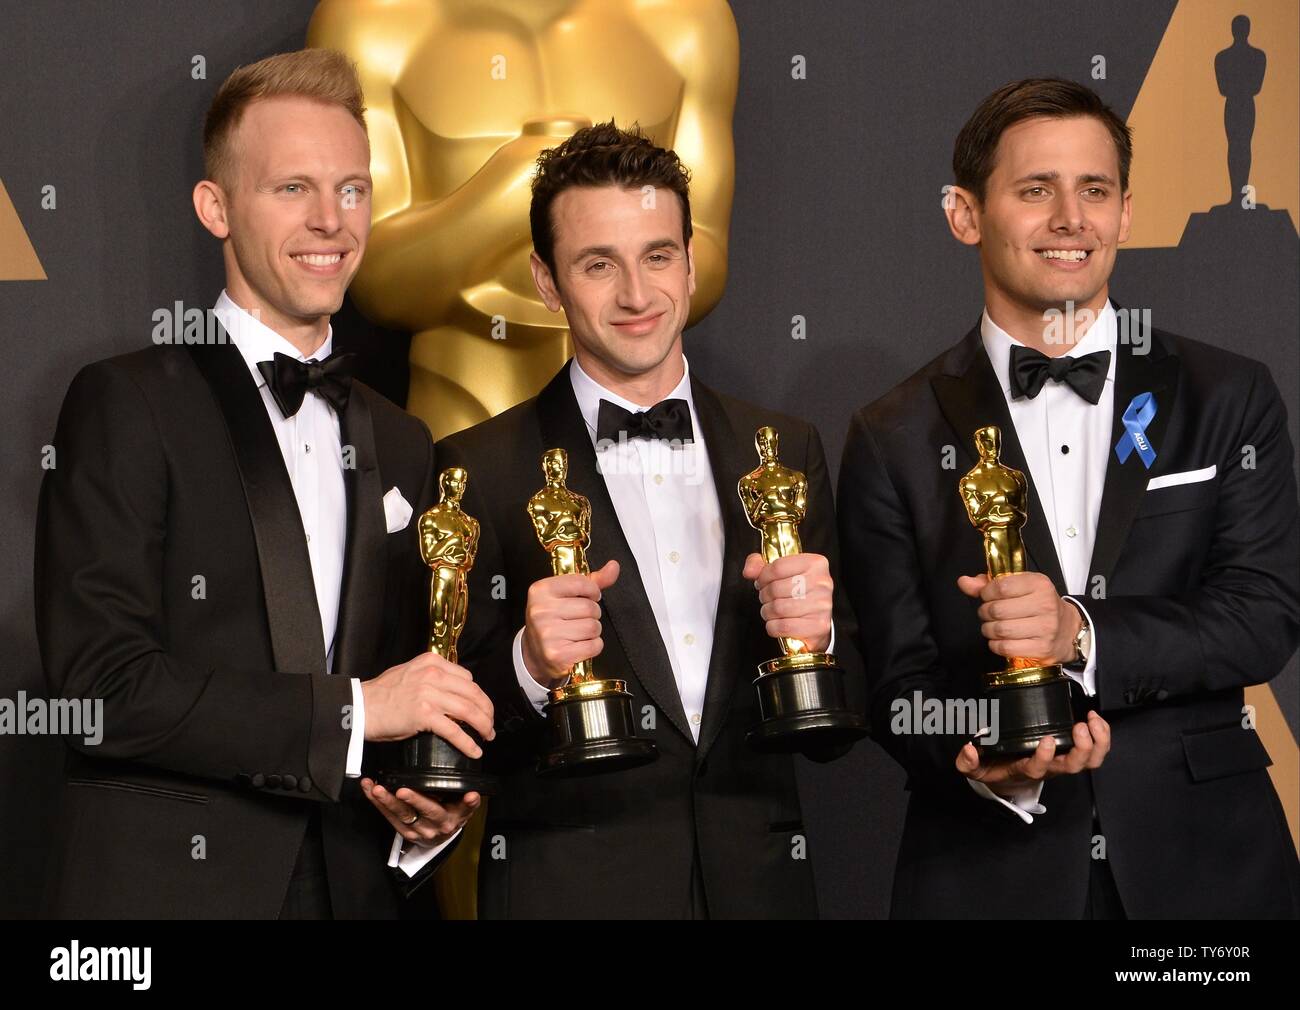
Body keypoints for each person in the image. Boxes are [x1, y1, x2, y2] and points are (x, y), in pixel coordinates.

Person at [34, 48, 494, 919]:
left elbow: (403, 696)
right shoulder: (127, 402)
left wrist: (419, 814)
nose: (331, 220)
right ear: (216, 207)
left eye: (351, 190)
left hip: (359, 889)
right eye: (293, 189)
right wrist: (359, 712)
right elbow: (100, 688)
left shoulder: (402, 441)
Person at [838, 77, 1300, 918]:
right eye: (1034, 190)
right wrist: (987, 760)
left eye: (1094, 190)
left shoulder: (1228, 393)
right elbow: (898, 692)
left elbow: (1265, 615)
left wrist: (1078, 632)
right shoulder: (889, 434)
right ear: (965, 216)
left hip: (1207, 871)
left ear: (1126, 213)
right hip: (988, 873)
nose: (1070, 220)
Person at [386, 122, 863, 918]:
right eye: (598, 265)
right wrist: (531, 667)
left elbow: (840, 728)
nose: (638, 296)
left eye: (658, 256)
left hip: (763, 889)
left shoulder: (782, 449)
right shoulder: (474, 469)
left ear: (691, 258)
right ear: (547, 282)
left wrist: (822, 645)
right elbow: (438, 742)